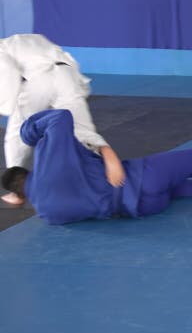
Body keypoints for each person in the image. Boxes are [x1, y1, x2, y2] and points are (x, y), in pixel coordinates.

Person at [1, 109, 192, 225]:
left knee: (171, 190)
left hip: (139, 209)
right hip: (140, 179)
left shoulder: (49, 215)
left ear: (18, 195)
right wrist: (29, 134)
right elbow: (61, 116)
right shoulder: (46, 157)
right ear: (26, 172)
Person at [1, 33, 124, 204]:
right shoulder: (20, 40)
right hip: (66, 74)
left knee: (18, 130)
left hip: (39, 79)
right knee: (81, 127)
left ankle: (17, 188)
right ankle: (106, 156)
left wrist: (4, 106)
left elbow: (8, 73)